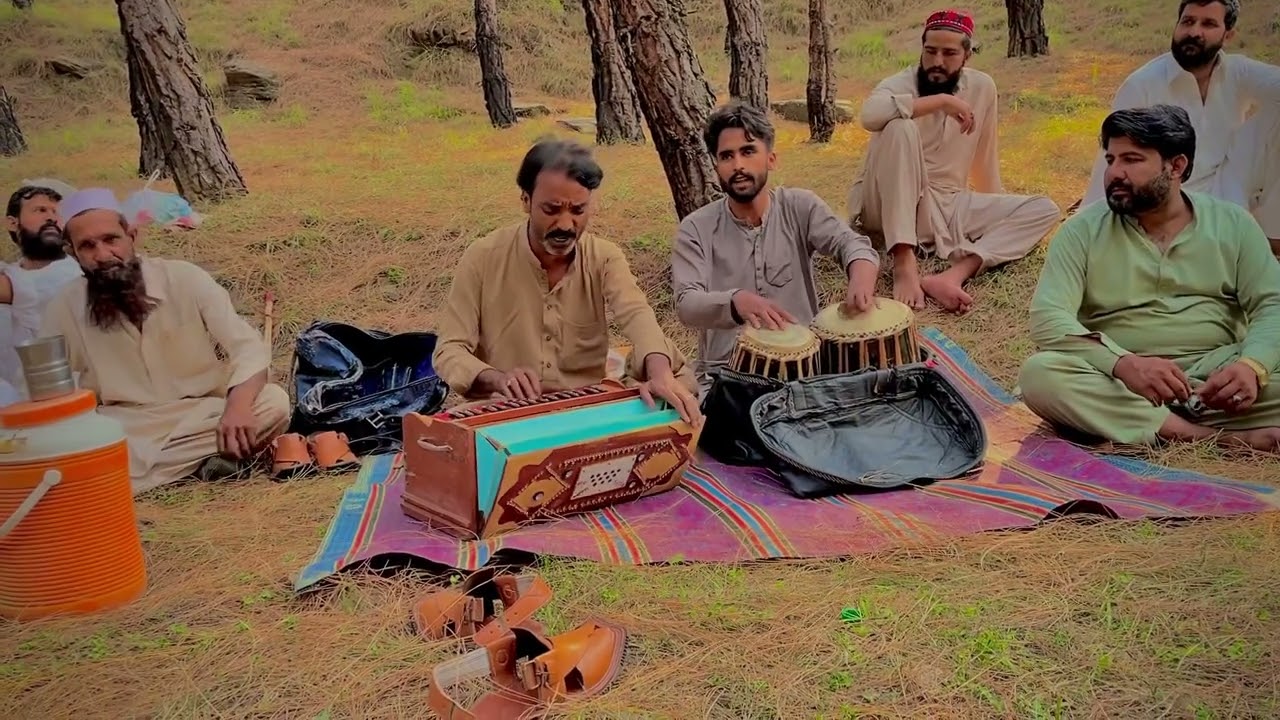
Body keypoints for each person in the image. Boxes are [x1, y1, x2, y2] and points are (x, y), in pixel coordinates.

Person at [1019, 105, 1280, 452]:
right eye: (1111, 159)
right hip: (1120, 381)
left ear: (1176, 166)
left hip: (1215, 377)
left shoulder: (1233, 224)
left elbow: (1271, 303)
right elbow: (1048, 318)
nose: (1114, 173)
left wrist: (1252, 366)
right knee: (1040, 375)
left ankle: (1146, 425)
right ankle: (1208, 438)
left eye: (1131, 159)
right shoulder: (1081, 231)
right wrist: (1125, 364)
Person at [39, 188, 291, 494]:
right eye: (88, 246)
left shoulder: (184, 278)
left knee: (273, 403)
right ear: (72, 253)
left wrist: (237, 406)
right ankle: (198, 464)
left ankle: (114, 479)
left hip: (200, 414)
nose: (103, 255)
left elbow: (248, 348)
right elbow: (48, 391)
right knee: (60, 443)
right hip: (122, 426)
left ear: (132, 235)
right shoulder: (63, 306)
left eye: (110, 239)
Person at [432, 139, 702, 425]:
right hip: (507, 412)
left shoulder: (604, 257)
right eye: (551, 210)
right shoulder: (483, 257)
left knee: (675, 376)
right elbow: (450, 350)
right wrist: (499, 379)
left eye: (577, 210)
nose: (564, 224)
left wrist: (659, 375)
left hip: (584, 410)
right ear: (525, 200)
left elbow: (637, 314)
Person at [846, 9, 1061, 313]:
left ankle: (952, 275)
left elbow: (984, 159)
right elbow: (869, 115)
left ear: (967, 55)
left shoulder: (983, 88)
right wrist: (944, 102)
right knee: (899, 126)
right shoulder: (899, 83)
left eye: (949, 53)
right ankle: (904, 260)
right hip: (884, 205)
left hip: (948, 207)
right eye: (930, 51)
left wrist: (996, 213)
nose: (937, 62)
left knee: (1043, 209)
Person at [671, 101, 880, 395]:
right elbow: (686, 304)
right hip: (727, 379)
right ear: (716, 166)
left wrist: (861, 273)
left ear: (771, 159)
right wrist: (735, 302)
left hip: (805, 373)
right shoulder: (696, 229)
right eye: (726, 156)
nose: (738, 165)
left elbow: (851, 243)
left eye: (748, 151)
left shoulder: (799, 207)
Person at [1080, 0, 1279, 251]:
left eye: (1208, 24)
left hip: (1229, 184)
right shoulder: (1142, 86)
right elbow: (1110, 167)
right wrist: (1091, 236)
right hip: (1168, 200)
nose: (1194, 32)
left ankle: (1273, 238)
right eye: (1187, 21)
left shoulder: (1238, 72)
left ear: (1228, 35)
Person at [0, 186, 82, 403]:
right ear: (12, 222)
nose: (52, 218)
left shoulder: (71, 272)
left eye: (57, 213)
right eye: (41, 210)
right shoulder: (15, 271)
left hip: (61, 398)